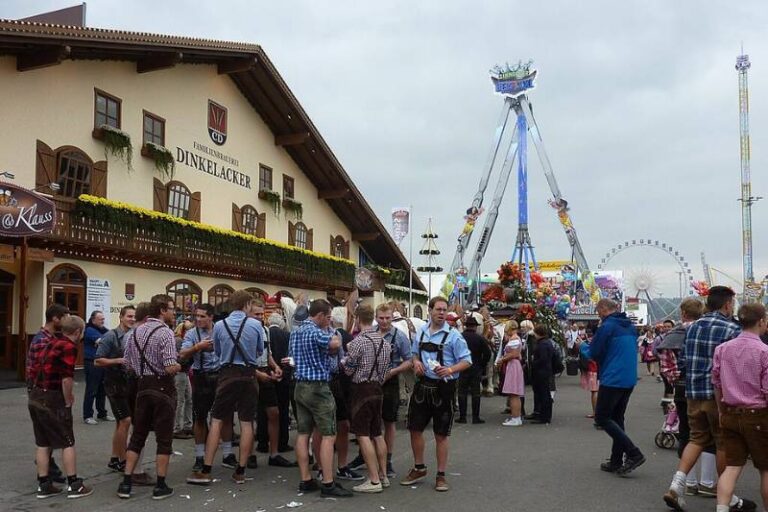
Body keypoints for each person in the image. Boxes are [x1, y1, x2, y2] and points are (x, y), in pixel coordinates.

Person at [662, 286, 757, 512]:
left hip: (693, 393)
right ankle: (726, 494)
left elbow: (683, 360)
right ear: (726, 305)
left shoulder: (693, 327)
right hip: (719, 395)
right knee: (722, 442)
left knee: (696, 438)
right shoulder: (732, 328)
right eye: (731, 303)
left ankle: (677, 483)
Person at [186, 290, 264, 485]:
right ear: (247, 305)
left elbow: (218, 351)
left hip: (227, 374)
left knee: (217, 420)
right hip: (248, 374)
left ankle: (206, 469)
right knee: (246, 423)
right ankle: (241, 470)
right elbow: (259, 350)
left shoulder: (220, 325)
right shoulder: (256, 325)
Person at [400, 296, 472, 493]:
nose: (441, 313)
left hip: (444, 388)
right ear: (430, 311)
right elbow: (414, 354)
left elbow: (467, 361)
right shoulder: (421, 332)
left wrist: (449, 370)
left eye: (444, 310)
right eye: (438, 309)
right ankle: (419, 467)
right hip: (423, 386)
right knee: (414, 429)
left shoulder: (454, 336)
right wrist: (416, 363)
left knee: (441, 434)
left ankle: (441, 475)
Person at [286, 299, 352, 497]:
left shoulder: (296, 331)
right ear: (321, 315)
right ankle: (328, 482)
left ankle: (306, 479)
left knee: (303, 432)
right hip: (318, 387)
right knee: (328, 434)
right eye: (328, 317)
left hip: (300, 385)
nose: (329, 320)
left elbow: (291, 357)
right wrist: (333, 334)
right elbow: (336, 342)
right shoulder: (316, 331)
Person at [117, 294, 181, 500]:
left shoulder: (136, 332)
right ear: (162, 310)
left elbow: (126, 363)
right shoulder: (165, 333)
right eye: (172, 309)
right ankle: (161, 485)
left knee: (138, 436)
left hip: (141, 387)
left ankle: (126, 482)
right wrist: (180, 364)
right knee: (164, 439)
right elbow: (170, 367)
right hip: (162, 387)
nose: (174, 313)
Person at [28, 314, 93, 499]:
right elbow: (66, 378)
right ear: (78, 331)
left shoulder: (50, 341)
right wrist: (68, 398)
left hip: (36, 394)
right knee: (67, 441)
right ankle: (74, 484)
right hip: (53, 397)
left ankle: (44, 484)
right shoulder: (69, 347)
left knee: (42, 442)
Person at [657, 299, 717, 497]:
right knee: (709, 435)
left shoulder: (671, 336)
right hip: (707, 388)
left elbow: (667, 368)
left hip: (683, 389)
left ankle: (688, 481)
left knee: (686, 433)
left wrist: (677, 379)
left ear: (682, 313)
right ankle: (707, 481)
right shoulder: (708, 331)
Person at [712, 303, 768, 512]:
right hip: (758, 415)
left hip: (729, 412)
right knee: (765, 468)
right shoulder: (764, 351)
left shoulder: (722, 349)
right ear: (761, 321)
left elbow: (716, 383)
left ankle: (722, 508)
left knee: (732, 466)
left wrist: (720, 410)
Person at [580, 298, 644, 476]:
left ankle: (633, 453)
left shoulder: (607, 327)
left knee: (602, 417)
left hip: (613, 377)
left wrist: (582, 346)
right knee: (617, 418)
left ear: (603, 309)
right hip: (628, 377)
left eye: (598, 311)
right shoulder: (629, 326)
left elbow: (594, 353)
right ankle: (616, 460)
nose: (598, 315)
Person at [350, 303, 412, 477]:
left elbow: (409, 360)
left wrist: (394, 371)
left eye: (388, 318)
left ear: (393, 318)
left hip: (390, 381)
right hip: (371, 382)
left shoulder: (399, 337)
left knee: (389, 422)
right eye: (381, 318)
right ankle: (363, 456)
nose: (384, 322)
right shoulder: (371, 333)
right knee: (369, 422)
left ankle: (388, 460)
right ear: (376, 317)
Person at [341, 305, 391, 493]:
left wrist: (344, 359)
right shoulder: (385, 343)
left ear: (357, 319)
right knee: (377, 433)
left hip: (361, 390)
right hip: (378, 388)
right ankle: (383, 475)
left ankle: (373, 480)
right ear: (374, 319)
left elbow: (348, 370)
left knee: (362, 435)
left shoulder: (357, 343)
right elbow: (385, 371)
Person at [178, 303, 225, 472]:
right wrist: (198, 347)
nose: (198, 319)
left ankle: (227, 453)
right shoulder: (192, 333)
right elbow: (182, 354)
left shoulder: (220, 331)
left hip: (219, 376)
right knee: (199, 417)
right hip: (201, 377)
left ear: (211, 317)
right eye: (196, 316)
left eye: (202, 316)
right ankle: (199, 456)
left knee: (222, 416)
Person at [28, 304, 70, 486]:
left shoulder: (49, 337)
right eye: (65, 317)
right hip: (44, 393)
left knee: (46, 436)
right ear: (55, 318)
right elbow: (46, 370)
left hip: (40, 392)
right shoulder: (42, 341)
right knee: (50, 436)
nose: (67, 321)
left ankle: (47, 470)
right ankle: (47, 473)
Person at [250, 300, 294, 468]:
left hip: (265, 371)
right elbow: (244, 360)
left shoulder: (266, 330)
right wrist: (258, 373)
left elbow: (268, 354)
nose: (259, 318)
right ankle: (249, 455)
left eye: (261, 314)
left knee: (273, 413)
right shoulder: (245, 331)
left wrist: (276, 367)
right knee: (249, 416)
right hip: (251, 374)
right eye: (256, 314)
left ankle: (274, 453)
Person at [95, 305, 136, 473]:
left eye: (134, 317)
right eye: (129, 316)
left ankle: (114, 458)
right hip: (113, 384)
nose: (132, 319)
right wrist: (117, 361)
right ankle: (122, 459)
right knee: (125, 420)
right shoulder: (110, 336)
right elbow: (97, 361)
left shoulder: (133, 335)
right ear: (121, 317)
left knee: (121, 422)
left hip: (127, 383)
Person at [457, 315, 491, 424]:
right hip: (476, 367)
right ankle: (476, 417)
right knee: (476, 393)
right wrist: (482, 364)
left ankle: (462, 417)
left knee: (462, 392)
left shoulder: (460, 337)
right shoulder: (480, 338)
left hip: (462, 367)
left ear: (466, 326)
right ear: (475, 327)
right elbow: (487, 353)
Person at [267, 313, 294, 453]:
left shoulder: (265, 333)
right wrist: (285, 373)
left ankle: (263, 441)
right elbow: (291, 356)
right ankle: (282, 442)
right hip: (283, 376)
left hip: (267, 375)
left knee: (265, 410)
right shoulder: (287, 335)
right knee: (283, 410)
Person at [83, 310, 112, 425]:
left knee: (102, 390)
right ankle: (88, 415)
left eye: (103, 319)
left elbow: (111, 338)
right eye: (101, 319)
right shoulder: (89, 330)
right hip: (92, 362)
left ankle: (102, 413)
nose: (103, 321)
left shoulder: (103, 330)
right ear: (93, 319)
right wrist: (103, 342)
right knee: (92, 389)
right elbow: (103, 342)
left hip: (102, 362)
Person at [529, 325, 555, 425]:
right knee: (543, 394)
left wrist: (533, 362)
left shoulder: (543, 344)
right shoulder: (546, 343)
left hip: (542, 372)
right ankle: (542, 414)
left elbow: (543, 359)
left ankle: (544, 417)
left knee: (543, 394)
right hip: (544, 372)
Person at [500, 321, 524, 426]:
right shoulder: (516, 338)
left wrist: (502, 359)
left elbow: (514, 354)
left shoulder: (514, 338)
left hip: (513, 366)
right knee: (515, 394)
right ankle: (516, 417)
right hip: (514, 365)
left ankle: (515, 418)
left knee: (513, 393)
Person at [173, 319, 194, 439]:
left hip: (183, 372)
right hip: (180, 372)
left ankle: (187, 426)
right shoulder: (179, 340)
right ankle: (177, 428)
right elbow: (180, 357)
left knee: (188, 399)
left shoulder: (180, 340)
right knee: (181, 400)